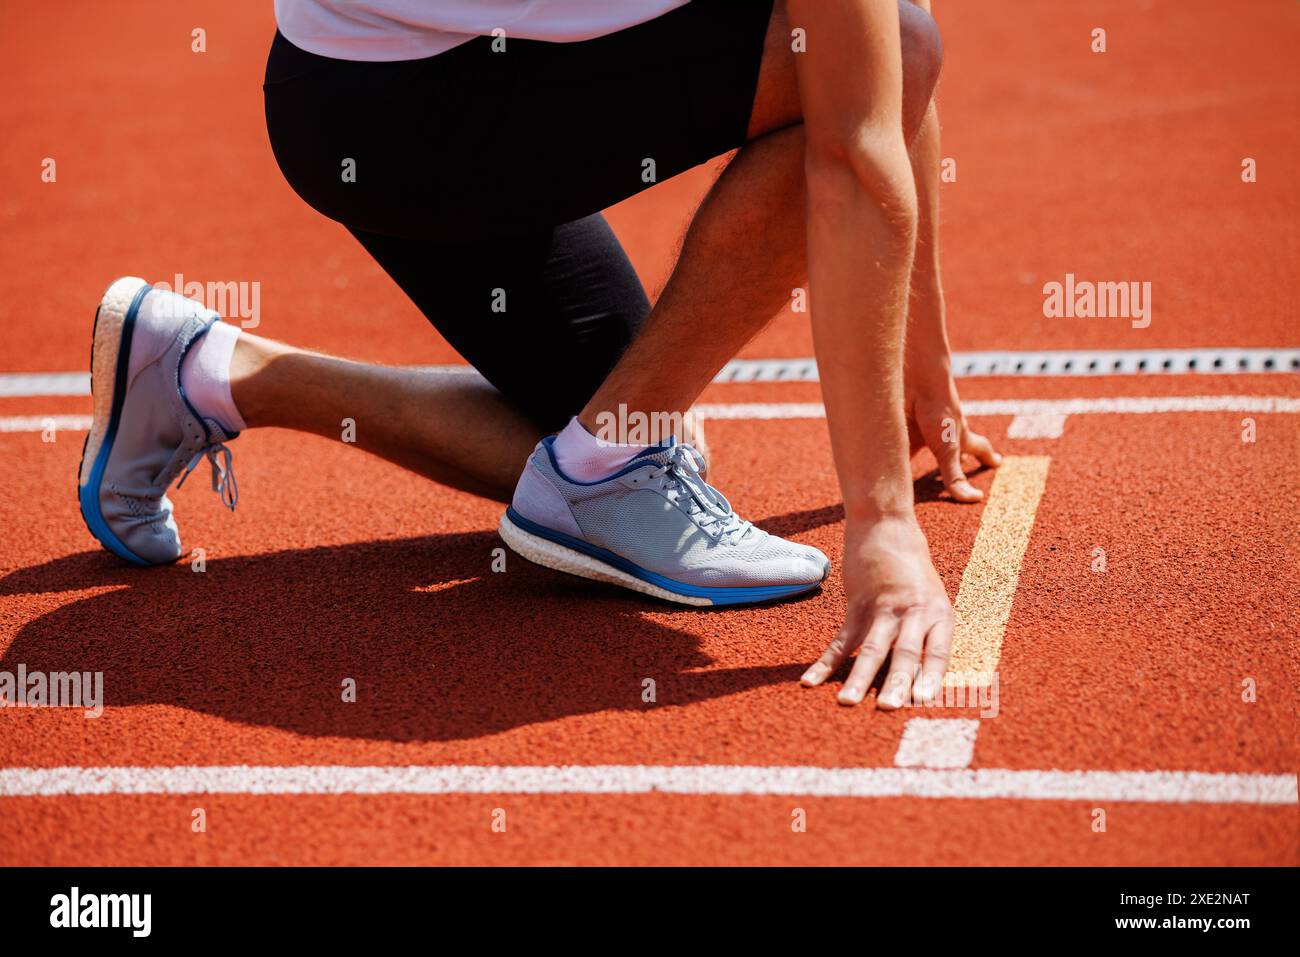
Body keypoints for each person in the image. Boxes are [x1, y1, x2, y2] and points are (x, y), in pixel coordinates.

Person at [77, 0, 1000, 707]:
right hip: (414, 105)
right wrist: (880, 525)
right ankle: (602, 468)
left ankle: (199, 369)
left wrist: (926, 364)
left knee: (630, 422)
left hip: (353, 84)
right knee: (629, 438)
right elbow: (864, 109)